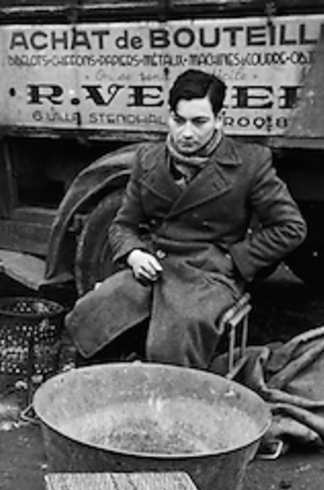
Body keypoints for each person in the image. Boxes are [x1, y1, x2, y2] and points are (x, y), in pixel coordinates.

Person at [65, 69, 307, 370]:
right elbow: (123, 225)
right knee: (93, 310)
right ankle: (100, 393)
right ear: (169, 116)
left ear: (220, 118)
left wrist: (235, 260)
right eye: (179, 121)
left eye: (199, 122)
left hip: (210, 275)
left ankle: (174, 405)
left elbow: (291, 227)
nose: (186, 133)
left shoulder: (250, 163)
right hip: (155, 266)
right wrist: (134, 254)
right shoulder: (148, 159)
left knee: (177, 334)